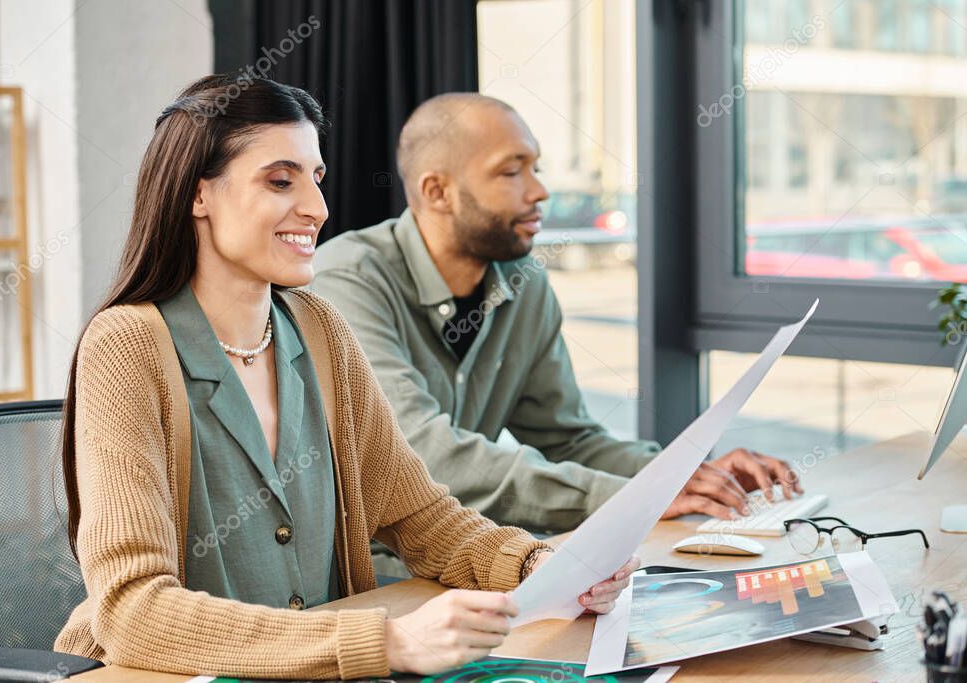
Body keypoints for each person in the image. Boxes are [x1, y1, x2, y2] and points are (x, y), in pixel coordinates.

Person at [53, 75, 639, 681]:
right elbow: (132, 611)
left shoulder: (318, 330)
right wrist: (386, 642)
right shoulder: (127, 345)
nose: (317, 208)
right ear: (198, 194)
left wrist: (540, 564)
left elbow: (422, 518)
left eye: (316, 179)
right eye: (281, 181)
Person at [310, 93, 802, 539]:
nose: (540, 190)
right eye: (511, 171)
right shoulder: (348, 281)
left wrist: (685, 474)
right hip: (368, 582)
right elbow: (423, 455)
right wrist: (631, 498)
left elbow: (569, 440)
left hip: (460, 560)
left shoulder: (524, 282)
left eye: (537, 167)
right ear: (437, 192)